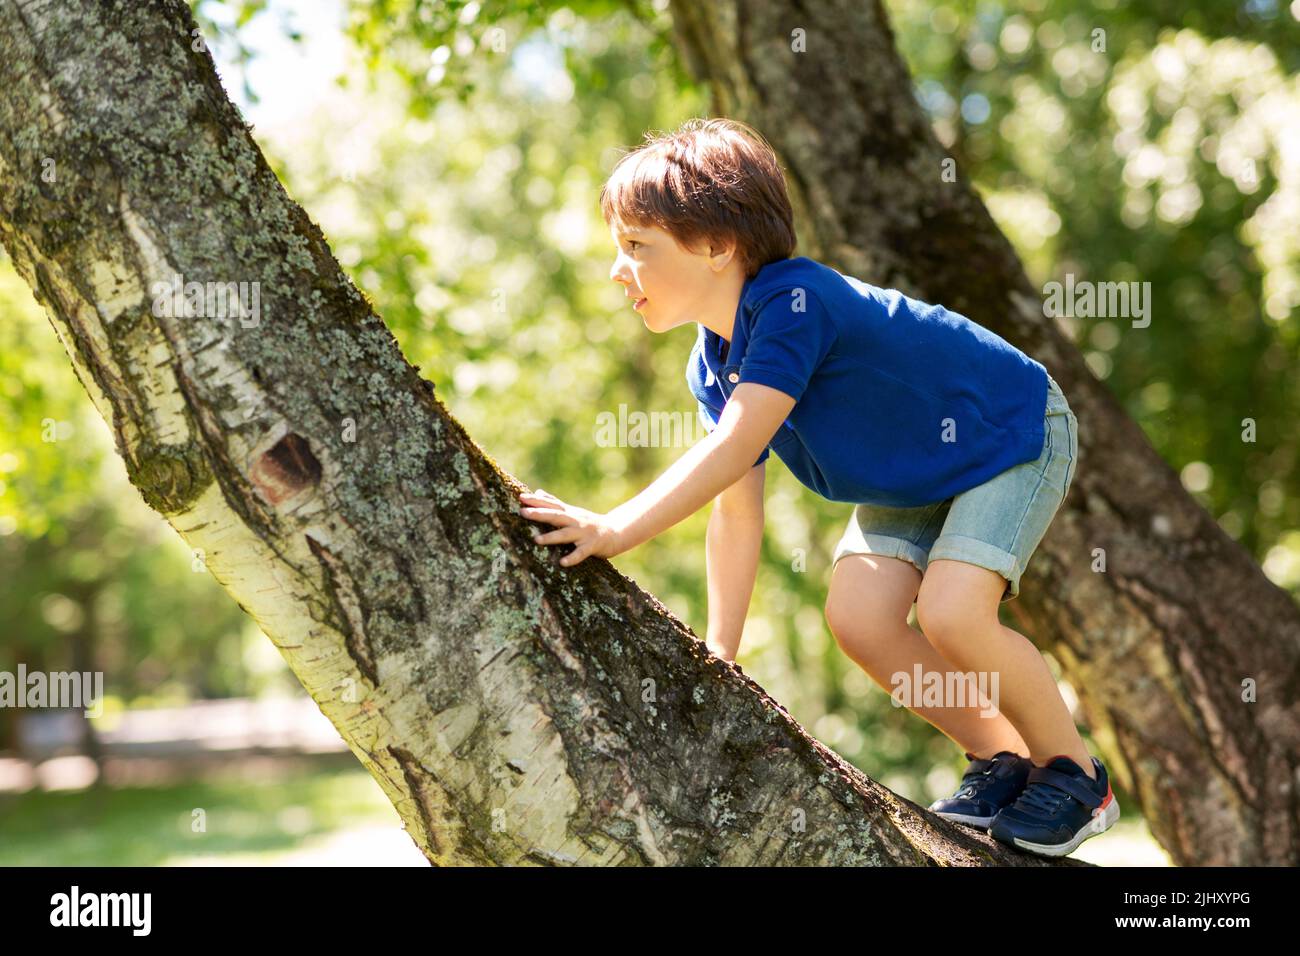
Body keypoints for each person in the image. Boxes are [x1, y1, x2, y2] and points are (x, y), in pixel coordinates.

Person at [517, 117, 1118, 858]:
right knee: (860, 618)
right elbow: (735, 511)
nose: (617, 269)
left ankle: (1077, 776)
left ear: (716, 246)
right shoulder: (712, 365)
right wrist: (721, 651)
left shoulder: (794, 303)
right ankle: (1004, 759)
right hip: (914, 475)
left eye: (637, 246)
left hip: (1007, 431)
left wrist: (612, 530)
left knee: (954, 613)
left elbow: (737, 444)